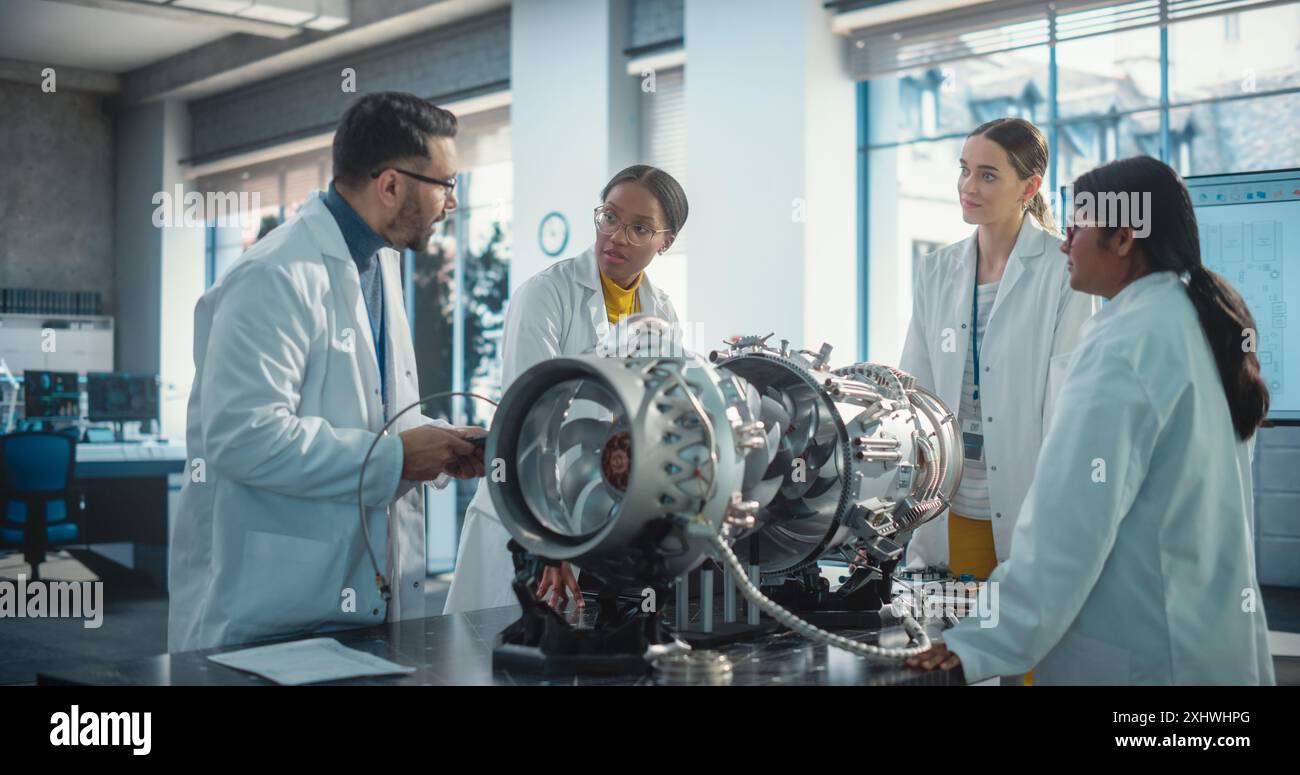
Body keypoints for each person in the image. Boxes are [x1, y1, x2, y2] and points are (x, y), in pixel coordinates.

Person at [907, 156, 1276, 685]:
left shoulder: (1124, 340)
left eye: (1078, 226)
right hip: (1205, 650)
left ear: (1124, 238)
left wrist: (982, 640)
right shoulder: (1194, 319)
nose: (1065, 241)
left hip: (1144, 661)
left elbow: (1069, 524)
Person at [169, 92, 486, 652]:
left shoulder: (377, 263)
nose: (452, 203)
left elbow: (366, 409)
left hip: (359, 601)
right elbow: (243, 437)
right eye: (446, 184)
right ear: (390, 186)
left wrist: (438, 443)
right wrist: (395, 457)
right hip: (271, 608)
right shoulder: (274, 275)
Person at [444, 164, 687, 614]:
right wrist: (549, 540)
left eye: (639, 228)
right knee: (491, 657)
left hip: (600, 520)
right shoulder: (546, 294)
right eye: (610, 218)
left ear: (665, 241)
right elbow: (531, 421)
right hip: (527, 515)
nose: (616, 237)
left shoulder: (662, 313)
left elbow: (657, 419)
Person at [900, 117, 1098, 584]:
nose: (969, 186)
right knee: (952, 645)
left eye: (988, 175)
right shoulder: (936, 270)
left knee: (1021, 646)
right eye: (965, 169)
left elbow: (1065, 406)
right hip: (948, 504)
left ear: (1029, 186)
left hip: (1028, 500)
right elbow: (916, 392)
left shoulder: (1064, 269)